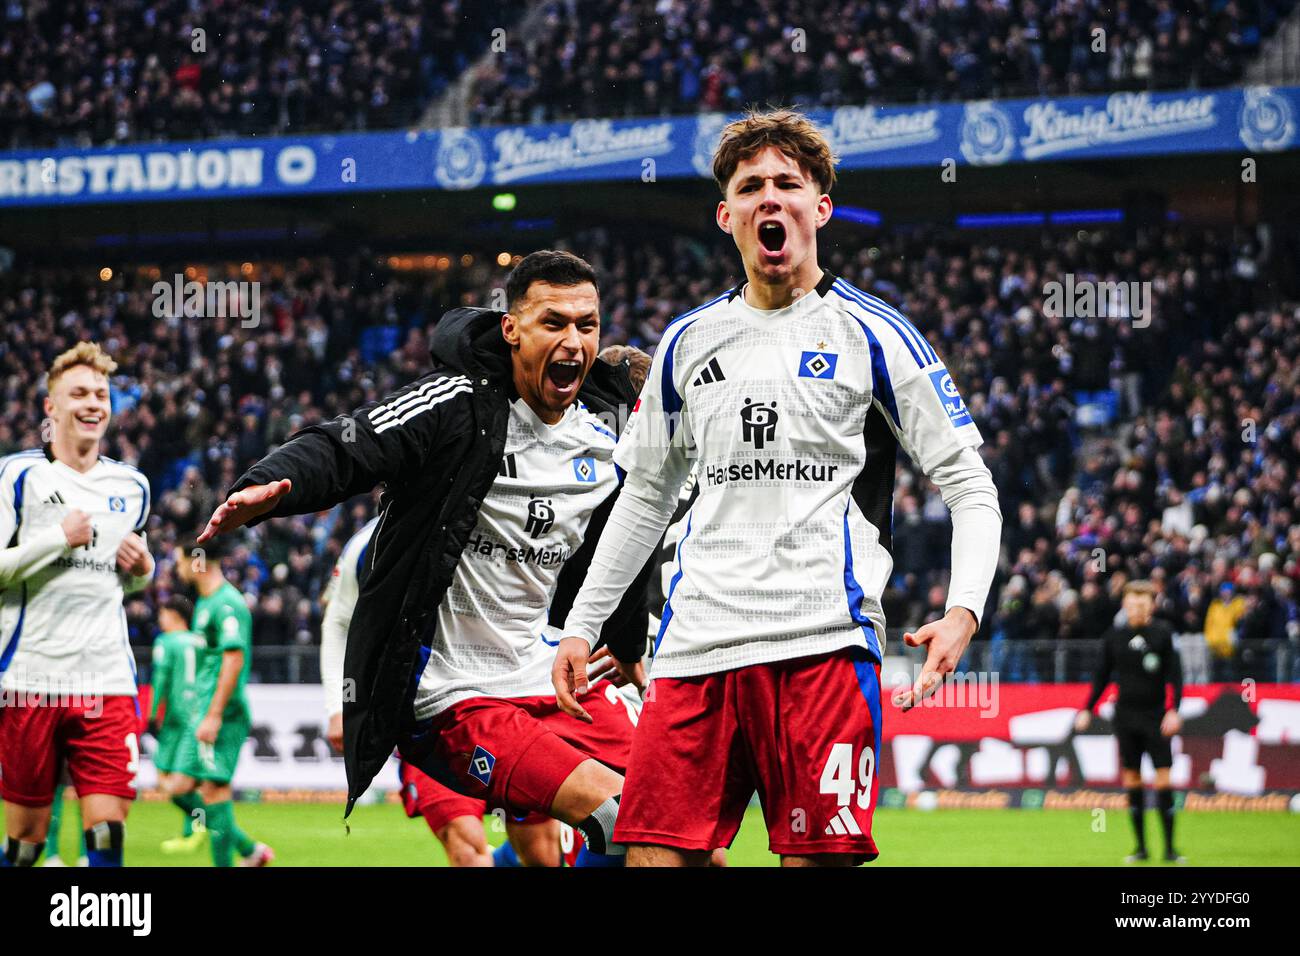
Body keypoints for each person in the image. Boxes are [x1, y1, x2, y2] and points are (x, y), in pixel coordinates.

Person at [553, 108, 1003, 866]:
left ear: (820, 207)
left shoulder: (876, 335)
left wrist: (965, 609)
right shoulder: (688, 342)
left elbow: (969, 483)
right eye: (751, 185)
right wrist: (582, 624)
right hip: (694, 648)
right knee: (652, 859)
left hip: (822, 643)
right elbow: (644, 496)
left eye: (788, 184)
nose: (771, 198)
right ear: (726, 214)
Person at [199, 251, 652, 865]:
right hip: (452, 692)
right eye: (553, 322)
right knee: (618, 812)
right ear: (510, 328)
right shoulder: (456, 404)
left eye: (587, 324)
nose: (573, 339)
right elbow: (351, 441)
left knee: (673, 816)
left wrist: (626, 648)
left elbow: (613, 558)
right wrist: (276, 481)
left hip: (540, 672)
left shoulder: (602, 443)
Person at [320, 515, 559, 866]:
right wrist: (337, 705)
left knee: (542, 856)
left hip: (513, 701)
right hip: (429, 717)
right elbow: (339, 620)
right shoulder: (368, 543)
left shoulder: (503, 523)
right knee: (467, 849)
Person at [0, 342, 154, 867]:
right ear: (51, 407)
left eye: (102, 394)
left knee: (108, 837)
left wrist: (142, 571)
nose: (93, 404)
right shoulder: (18, 477)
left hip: (105, 680)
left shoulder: (132, 486)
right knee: (25, 846)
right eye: (79, 393)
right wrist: (56, 539)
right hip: (28, 681)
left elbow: (120, 584)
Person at [172, 534, 273, 867]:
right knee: (180, 786)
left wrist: (214, 714)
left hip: (223, 712)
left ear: (196, 560)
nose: (177, 567)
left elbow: (233, 658)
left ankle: (233, 860)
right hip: (204, 709)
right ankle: (249, 850)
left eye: (180, 560)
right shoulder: (204, 602)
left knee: (214, 791)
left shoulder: (226, 603)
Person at [1074, 579, 1185, 863]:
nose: (1136, 608)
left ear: (1152, 605)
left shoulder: (1163, 634)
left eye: (1142, 603)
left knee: (1163, 779)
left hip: (1156, 717)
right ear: (1125, 604)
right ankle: (1141, 848)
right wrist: (1087, 708)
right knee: (1132, 779)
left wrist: (1174, 710)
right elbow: (1101, 676)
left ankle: (1170, 849)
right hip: (1125, 717)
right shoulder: (1114, 636)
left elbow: (1176, 676)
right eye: (1132, 603)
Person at [148, 594, 210, 854]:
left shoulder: (166, 642)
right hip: (202, 715)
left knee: (168, 781)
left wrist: (152, 715)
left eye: (162, 613)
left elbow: (160, 679)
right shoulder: (203, 641)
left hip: (178, 719)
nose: (160, 618)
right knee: (190, 781)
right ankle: (192, 833)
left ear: (174, 616)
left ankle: (207, 821)